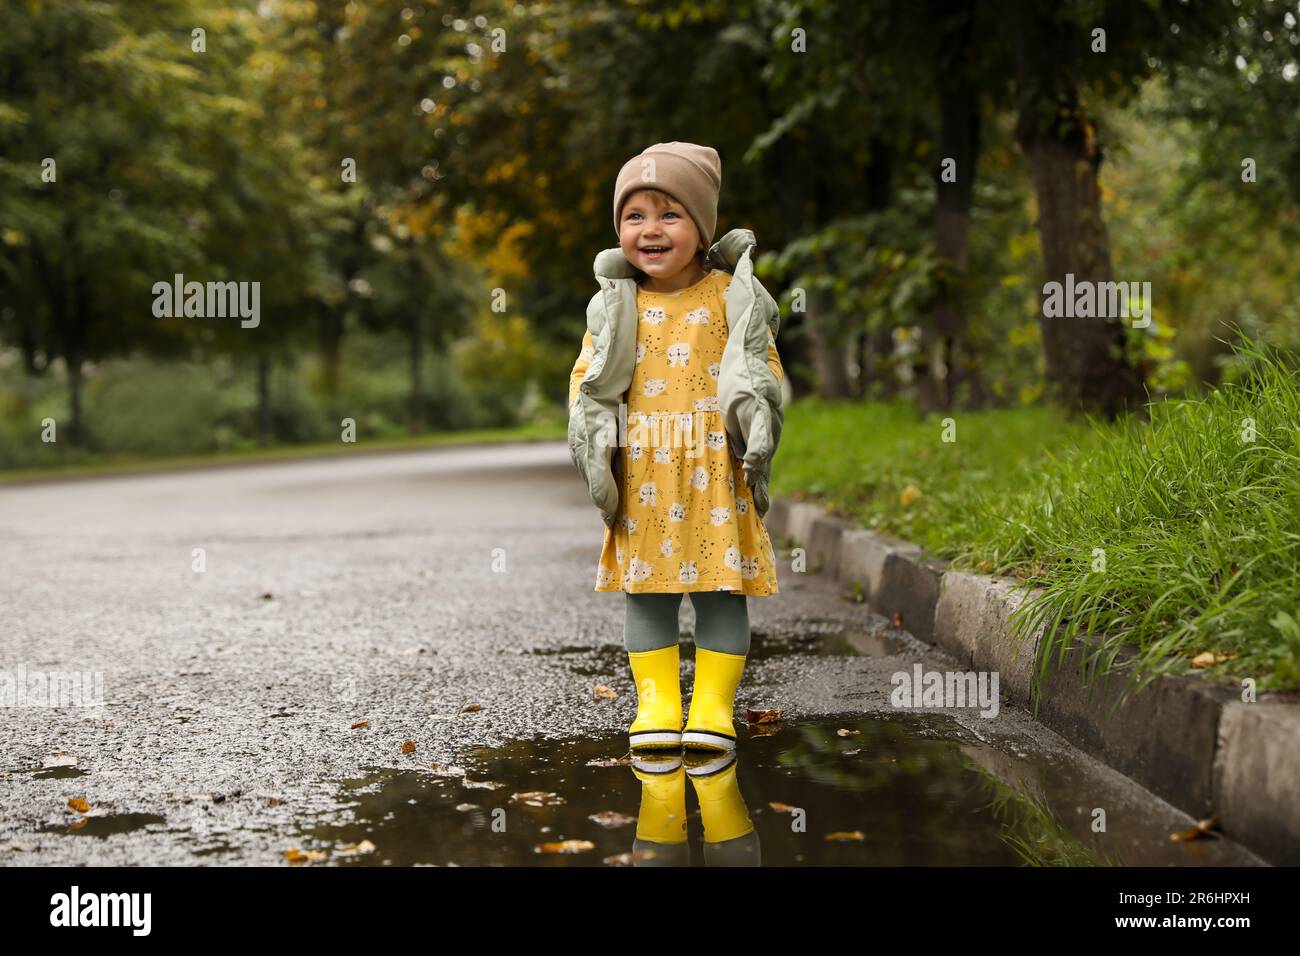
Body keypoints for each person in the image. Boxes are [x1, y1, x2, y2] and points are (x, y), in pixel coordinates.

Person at [567, 141, 785, 754]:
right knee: (648, 594)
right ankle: (657, 705)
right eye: (634, 216)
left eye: (670, 214)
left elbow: (761, 367)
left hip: (717, 469)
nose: (651, 230)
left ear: (700, 225)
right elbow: (588, 379)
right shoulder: (617, 302)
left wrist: (758, 424)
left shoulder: (730, 295)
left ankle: (713, 708)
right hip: (645, 474)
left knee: (721, 591)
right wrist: (593, 443)